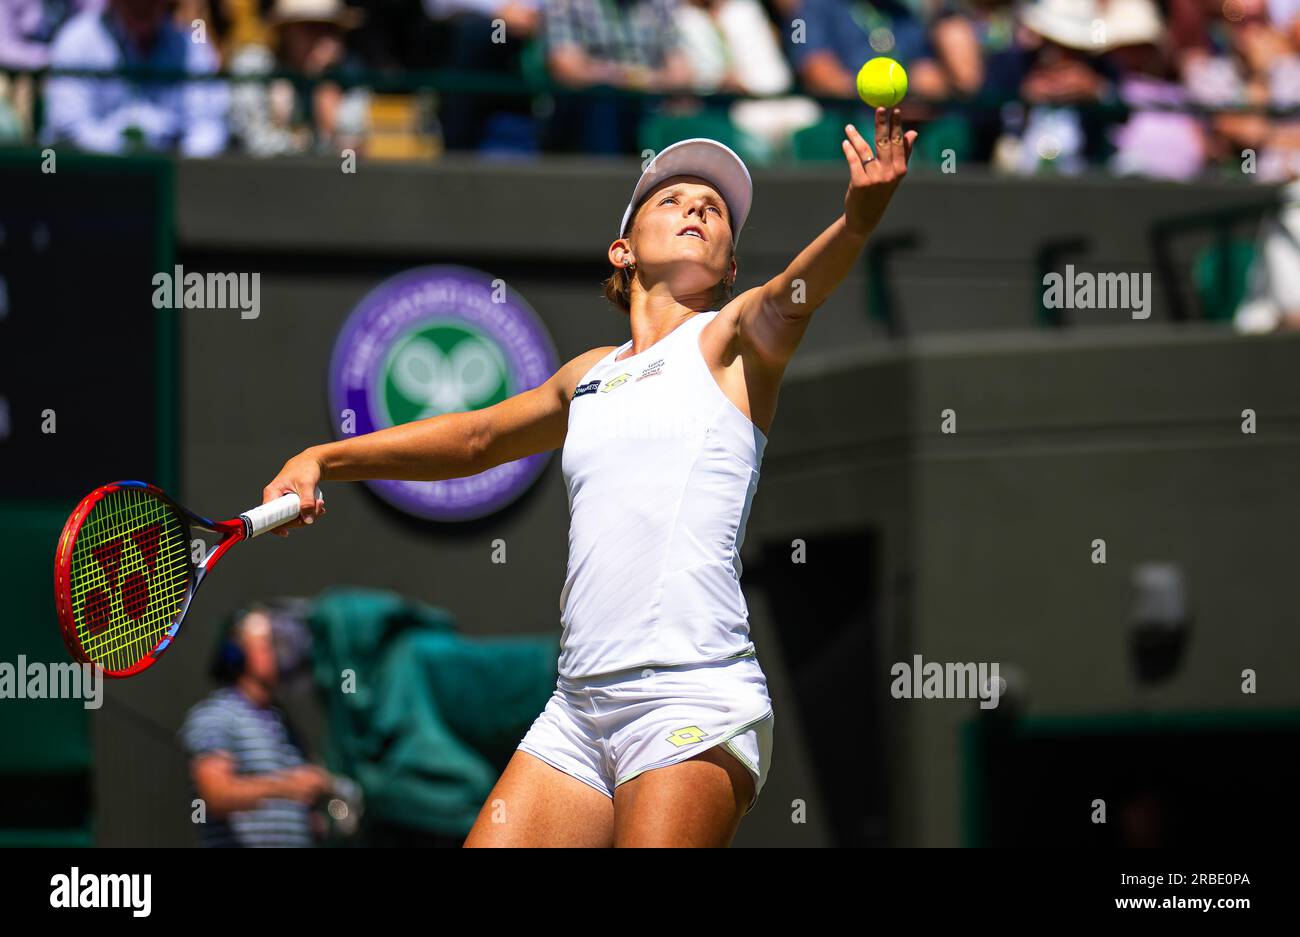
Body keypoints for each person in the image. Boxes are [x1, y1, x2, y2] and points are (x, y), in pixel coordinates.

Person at [260, 112, 916, 846]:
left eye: (716, 209)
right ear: (623, 248)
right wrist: (326, 457)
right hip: (576, 709)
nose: (699, 206)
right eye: (673, 199)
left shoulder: (733, 342)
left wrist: (857, 223)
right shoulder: (588, 376)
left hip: (689, 696)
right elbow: (476, 437)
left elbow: (797, 291)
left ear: (732, 269)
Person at [178, 603, 333, 847]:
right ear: (237, 654)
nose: (282, 652)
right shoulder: (215, 716)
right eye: (269, 643)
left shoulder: (284, 723)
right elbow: (215, 795)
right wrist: (289, 786)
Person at [43, 0, 229, 156]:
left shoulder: (193, 46)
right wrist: (131, 153)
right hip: (89, 178)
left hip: (172, 180)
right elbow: (69, 132)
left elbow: (209, 126)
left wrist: (175, 162)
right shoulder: (75, 40)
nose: (142, 4)